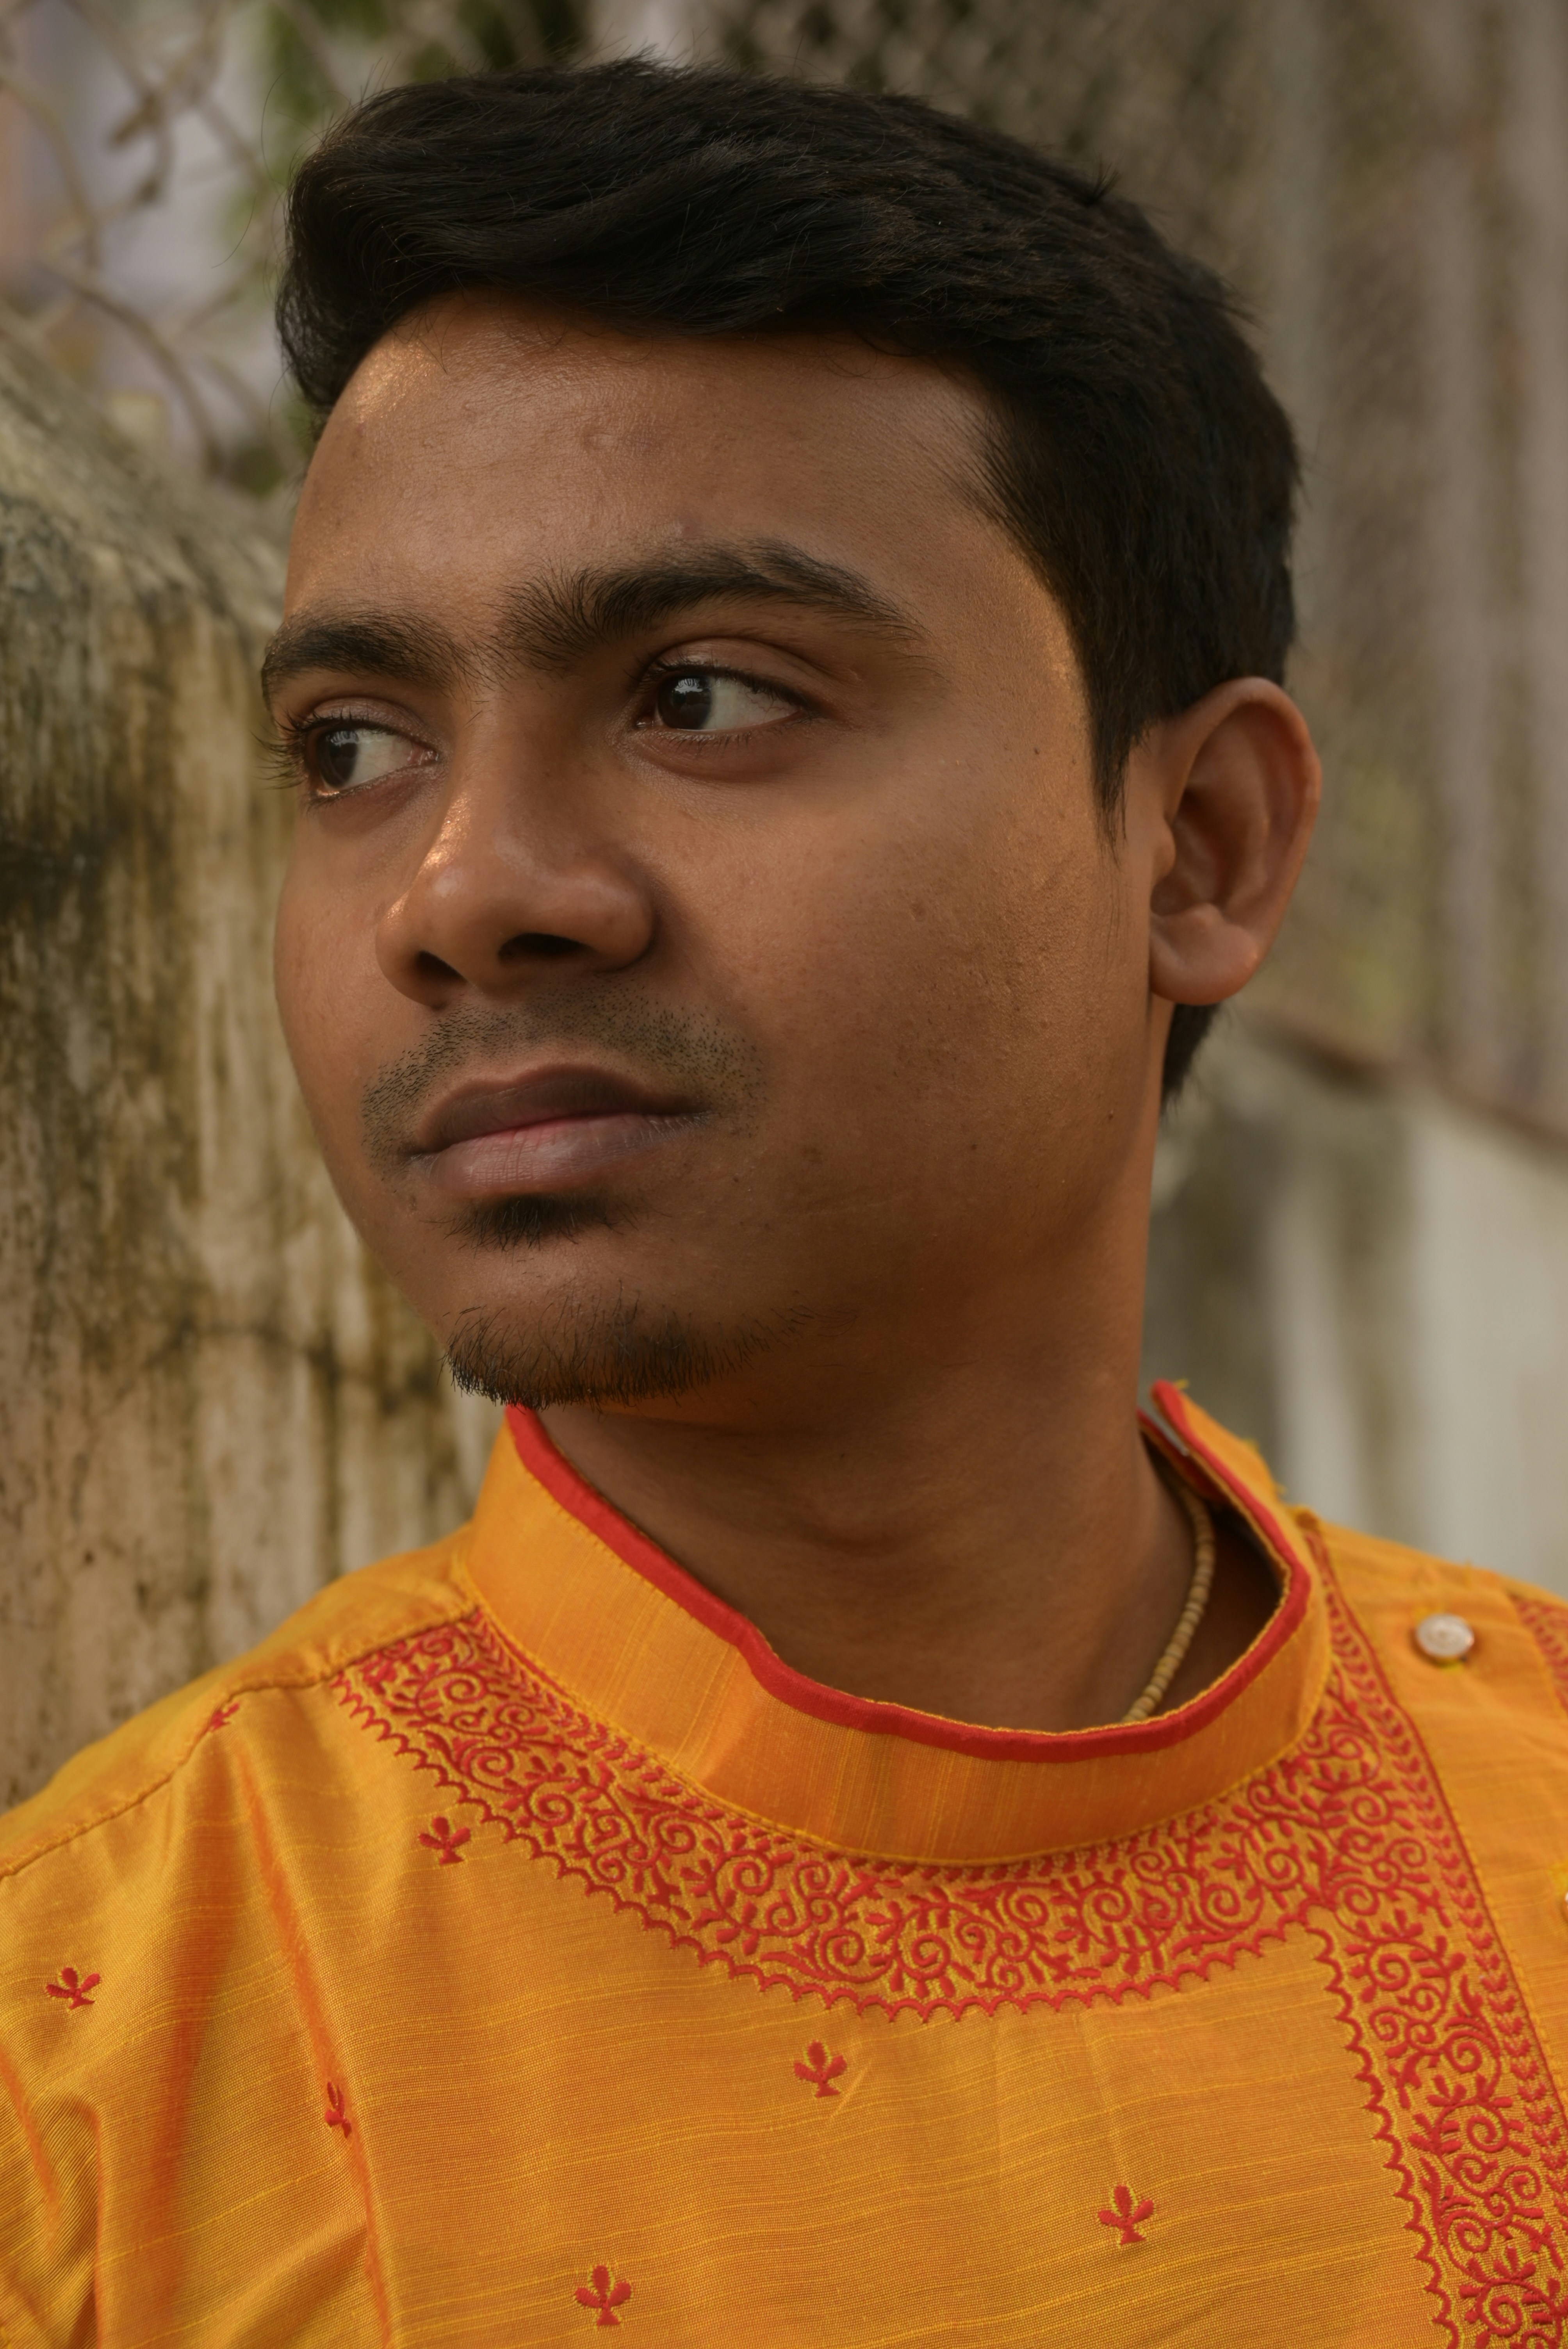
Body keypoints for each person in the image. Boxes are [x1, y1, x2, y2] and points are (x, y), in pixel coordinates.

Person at [2, 57, 1564, 2347]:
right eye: (355, 744)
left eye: (708, 695)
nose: (467, 891)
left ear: (1202, 844)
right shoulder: (90, 2077)